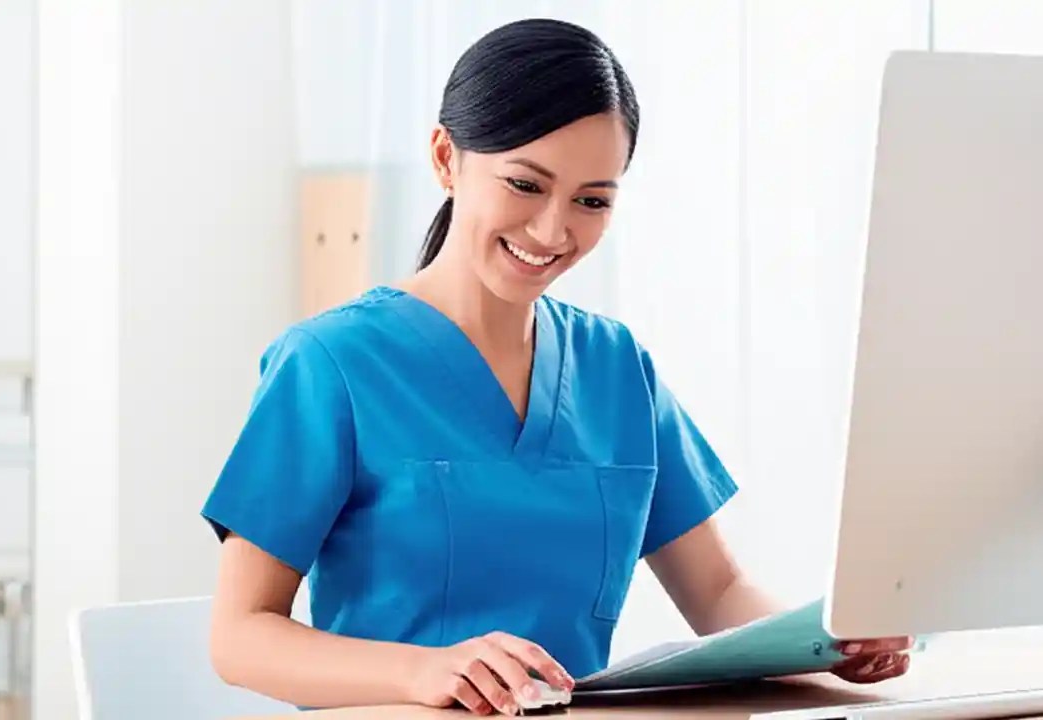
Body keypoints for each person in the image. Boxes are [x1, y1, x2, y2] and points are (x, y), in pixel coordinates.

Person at [202, 17, 911, 717]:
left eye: (592, 200)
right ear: (448, 159)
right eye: (524, 185)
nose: (553, 231)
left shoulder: (614, 368)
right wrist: (425, 673)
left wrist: (826, 644)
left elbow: (720, 593)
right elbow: (240, 637)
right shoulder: (331, 364)